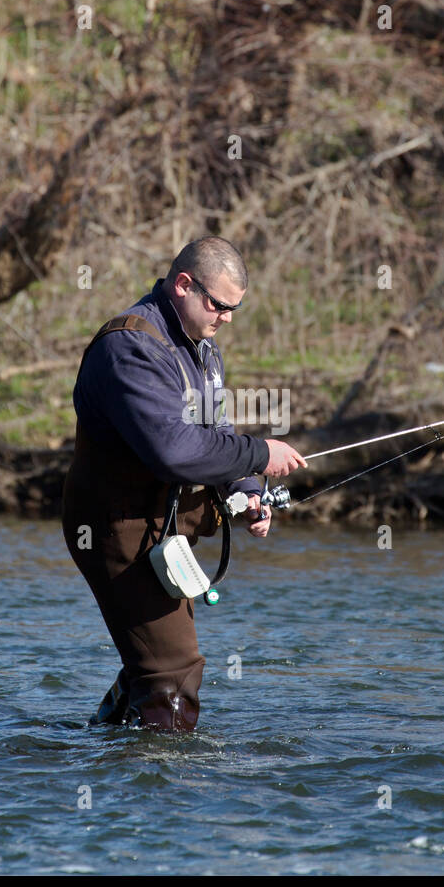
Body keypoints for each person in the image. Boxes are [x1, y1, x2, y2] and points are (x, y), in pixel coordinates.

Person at [62, 236, 306, 731]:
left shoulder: (203, 348)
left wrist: (249, 491)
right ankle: (162, 795)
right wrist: (262, 453)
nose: (227, 318)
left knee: (152, 666)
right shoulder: (129, 348)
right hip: (115, 528)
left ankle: (98, 752)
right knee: (173, 670)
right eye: (220, 305)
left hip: (162, 523)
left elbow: (213, 436)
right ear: (184, 286)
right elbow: (172, 450)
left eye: (236, 308)